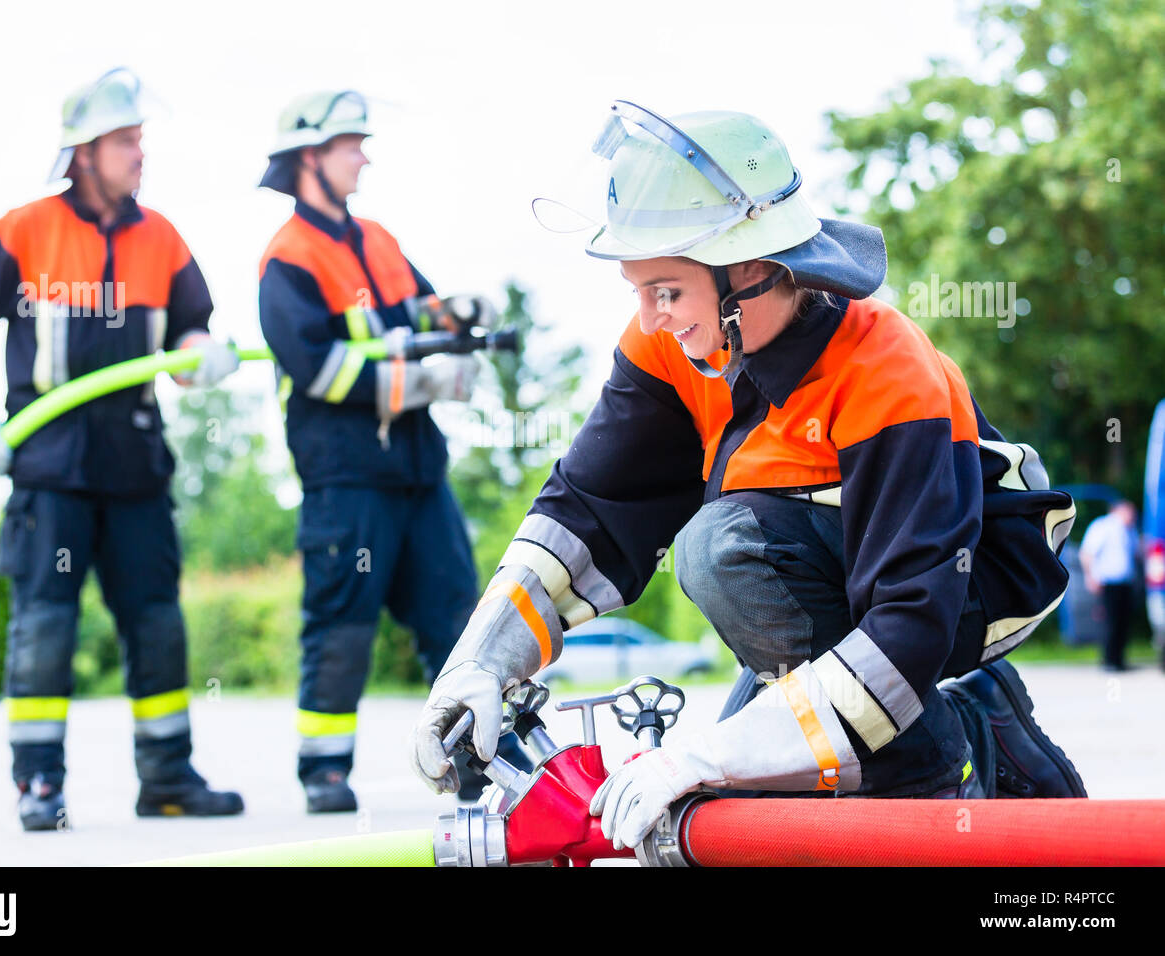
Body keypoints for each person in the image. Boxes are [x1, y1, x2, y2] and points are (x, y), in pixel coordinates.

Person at [411, 102, 1088, 849]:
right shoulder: (669, 342)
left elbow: (906, 624)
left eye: (665, 288)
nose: (649, 315)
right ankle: (946, 728)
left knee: (720, 549)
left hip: (964, 584)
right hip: (846, 590)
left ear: (753, 269)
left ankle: (940, 751)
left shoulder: (886, 372)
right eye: (638, 289)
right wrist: (481, 663)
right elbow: (589, 512)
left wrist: (708, 756)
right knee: (718, 827)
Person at [0, 68, 244, 831]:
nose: (141, 152)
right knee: (45, 624)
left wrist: (203, 353)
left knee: (157, 622)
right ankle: (39, 785)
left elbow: (190, 329)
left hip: (135, 465)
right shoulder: (24, 230)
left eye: (141, 138)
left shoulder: (161, 236)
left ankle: (167, 777)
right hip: (48, 468)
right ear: (84, 151)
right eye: (127, 140)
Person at [257, 90, 527, 812]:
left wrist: (459, 316)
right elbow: (316, 368)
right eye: (352, 144)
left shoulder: (375, 239)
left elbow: (422, 312)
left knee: (457, 618)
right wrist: (415, 381)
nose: (364, 156)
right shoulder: (287, 260)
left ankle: (479, 760)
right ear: (310, 158)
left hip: (416, 472)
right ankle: (323, 772)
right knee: (343, 623)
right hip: (346, 478)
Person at [1080, 500, 1140, 670]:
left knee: (1123, 622)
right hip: (1108, 582)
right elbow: (1087, 553)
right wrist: (1091, 576)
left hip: (1126, 582)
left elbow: (1136, 553)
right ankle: (1108, 660)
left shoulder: (1130, 530)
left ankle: (1119, 659)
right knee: (1110, 622)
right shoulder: (1103, 526)